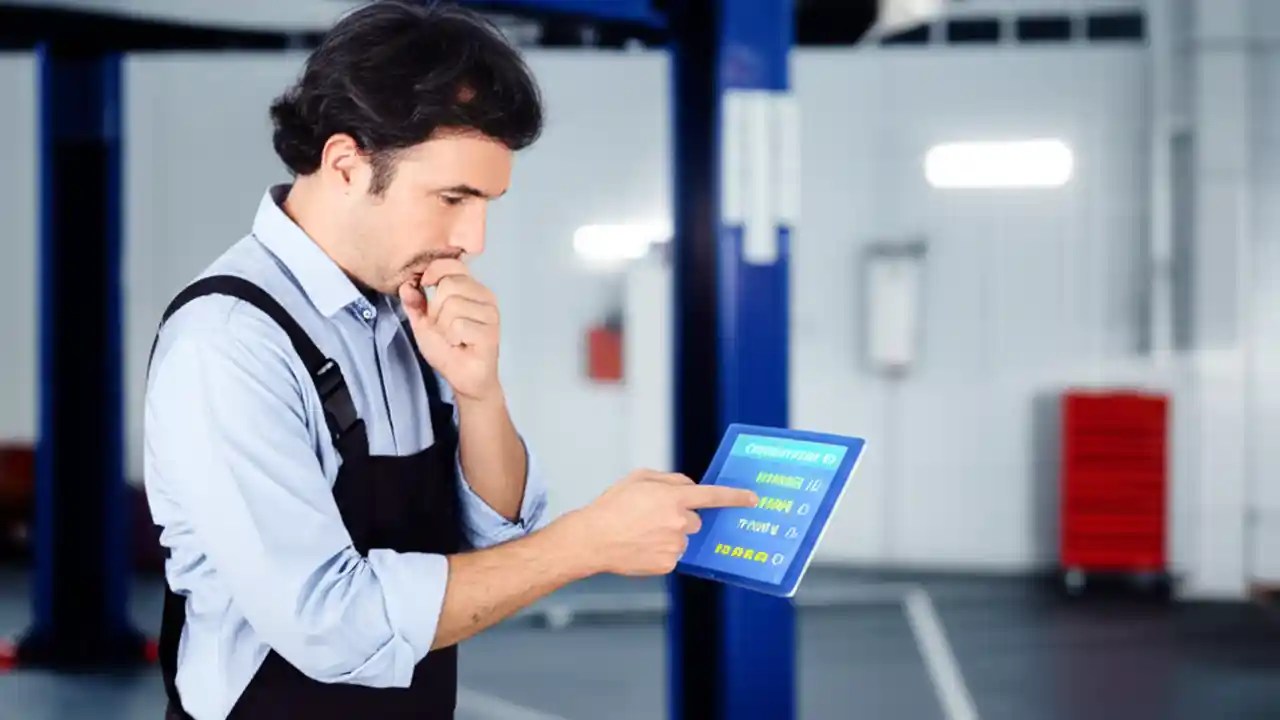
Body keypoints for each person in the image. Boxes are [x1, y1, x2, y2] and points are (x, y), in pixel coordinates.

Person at [142, 2, 758, 719]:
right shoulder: (230, 342)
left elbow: (491, 540)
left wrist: (479, 391)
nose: (473, 238)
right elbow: (332, 625)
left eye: (487, 202)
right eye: (452, 198)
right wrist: (587, 544)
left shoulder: (400, 306)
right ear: (346, 164)